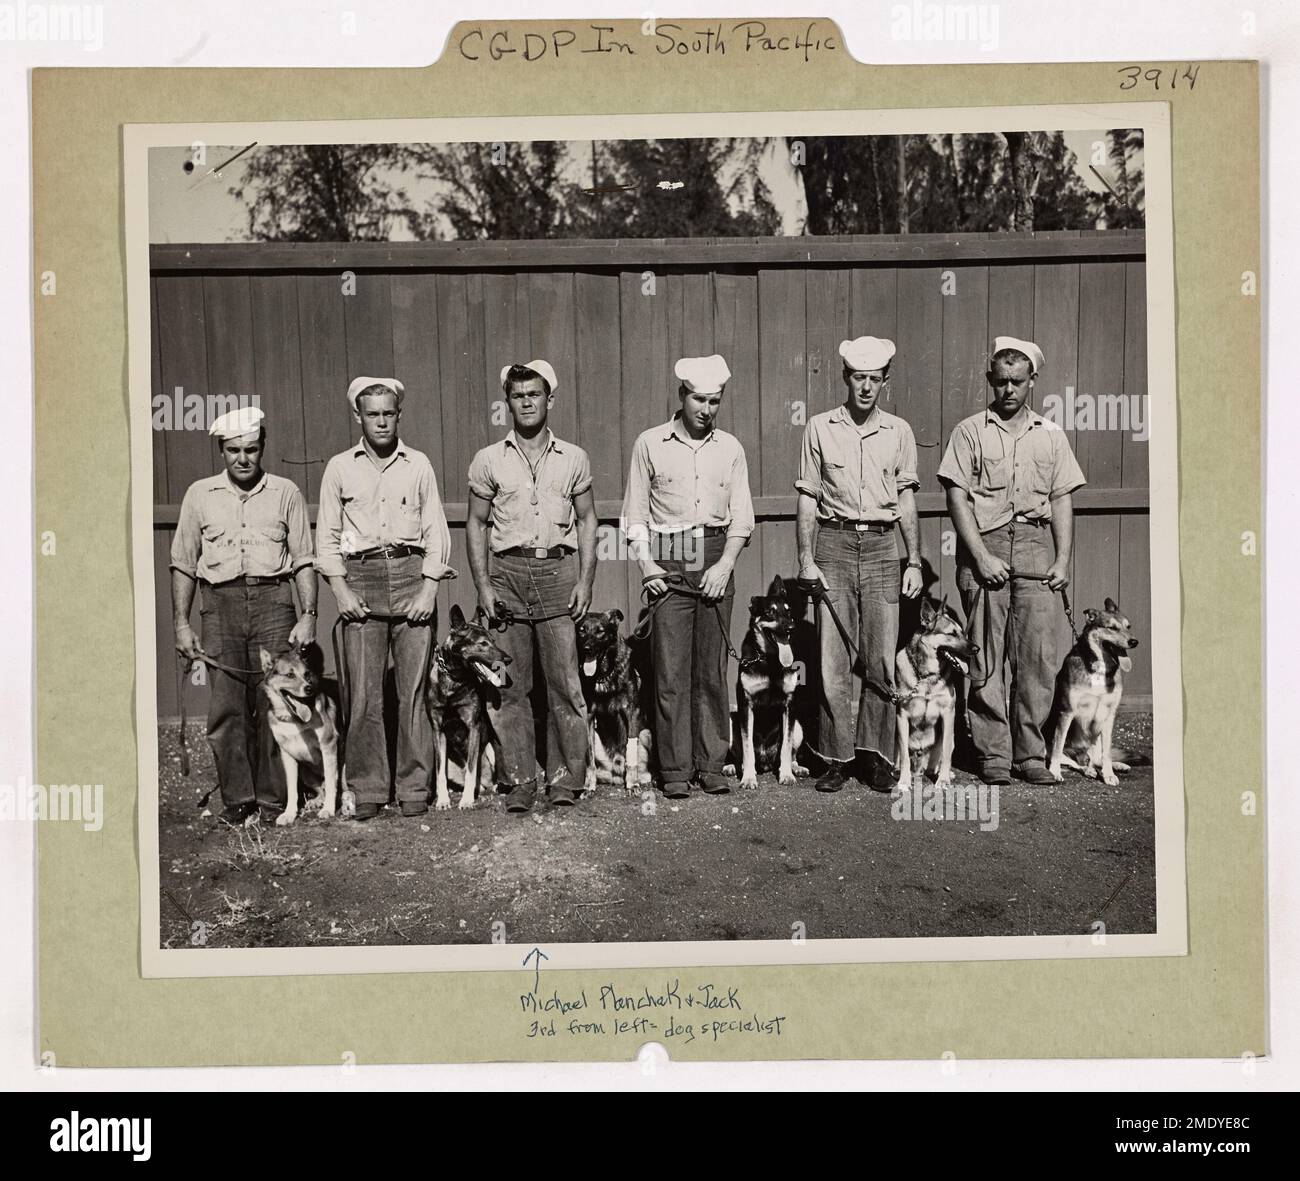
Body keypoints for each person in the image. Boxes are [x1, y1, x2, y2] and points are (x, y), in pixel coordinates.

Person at [938, 336, 1086, 786]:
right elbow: (956, 496)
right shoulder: (969, 431)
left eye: (1017, 382)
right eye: (1000, 381)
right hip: (986, 543)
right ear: (990, 380)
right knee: (985, 655)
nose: (1008, 390)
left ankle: (1030, 754)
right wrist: (981, 556)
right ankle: (994, 754)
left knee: (1037, 657)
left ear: (1032, 382)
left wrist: (1061, 561)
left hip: (1037, 547)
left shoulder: (1051, 435)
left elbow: (1061, 499)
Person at [316, 376, 456, 820]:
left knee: (414, 692)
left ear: (399, 415)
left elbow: (436, 529)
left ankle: (414, 786)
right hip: (361, 578)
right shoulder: (340, 467)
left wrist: (430, 586)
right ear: (358, 416)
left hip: (411, 574)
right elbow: (327, 536)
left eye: (388, 413)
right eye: (372, 413)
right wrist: (340, 589)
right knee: (363, 694)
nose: (381, 421)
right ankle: (370, 787)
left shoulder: (418, 465)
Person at [170, 406, 317, 825]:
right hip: (220, 605)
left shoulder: (285, 492)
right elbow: (182, 562)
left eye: (251, 449)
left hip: (274, 601)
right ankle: (238, 800)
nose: (243, 458)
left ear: (262, 447)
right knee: (227, 706)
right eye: (233, 450)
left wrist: (308, 613)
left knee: (276, 702)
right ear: (221, 450)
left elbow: (304, 559)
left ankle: (274, 800)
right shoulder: (199, 495)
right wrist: (182, 623)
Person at [466, 360, 598, 813]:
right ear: (508, 403)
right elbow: (477, 523)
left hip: (557, 572)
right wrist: (483, 586)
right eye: (518, 395)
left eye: (534, 394)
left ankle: (564, 778)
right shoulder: (488, 459)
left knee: (565, 682)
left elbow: (587, 519)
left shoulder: (574, 457)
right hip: (507, 573)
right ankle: (520, 778)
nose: (526, 402)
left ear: (550, 400)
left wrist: (585, 579)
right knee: (509, 684)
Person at [622, 354, 755, 799]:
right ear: (682, 396)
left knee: (712, 669)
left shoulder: (731, 448)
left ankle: (712, 763)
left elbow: (742, 519)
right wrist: (648, 567)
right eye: (699, 398)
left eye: (714, 401)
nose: (706, 408)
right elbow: (635, 516)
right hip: (669, 555)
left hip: (717, 554)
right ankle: (675, 768)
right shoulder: (650, 443)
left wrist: (725, 564)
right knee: (671, 671)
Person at [796, 335, 923, 793]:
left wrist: (914, 562)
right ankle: (834, 756)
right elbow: (808, 498)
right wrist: (806, 558)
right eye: (858, 378)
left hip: (884, 547)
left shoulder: (900, 432)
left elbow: (907, 498)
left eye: (874, 379)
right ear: (846, 378)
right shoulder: (819, 427)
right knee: (833, 657)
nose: (866, 387)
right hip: (833, 541)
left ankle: (876, 756)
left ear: (885, 381)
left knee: (880, 655)